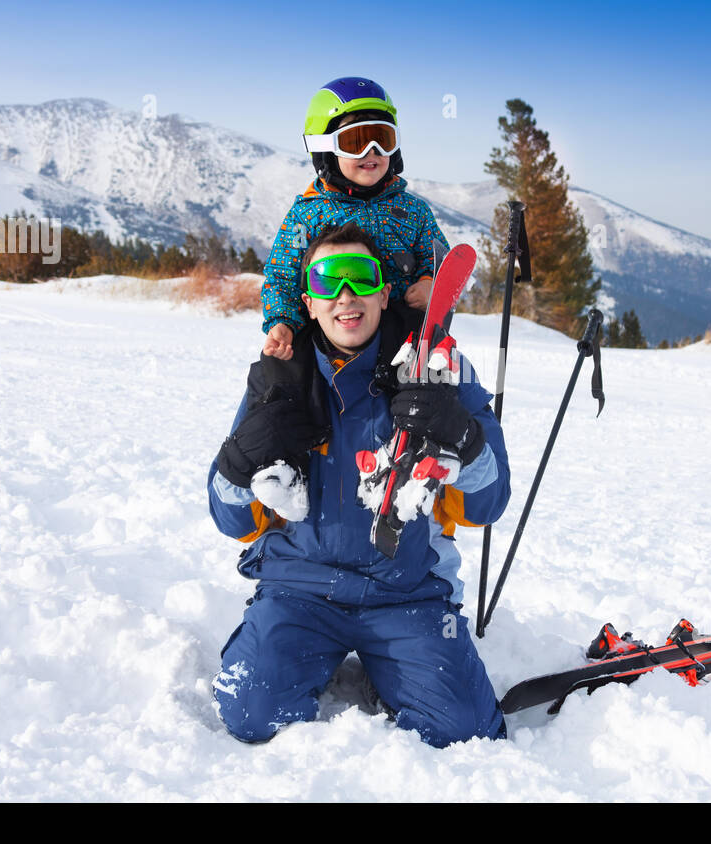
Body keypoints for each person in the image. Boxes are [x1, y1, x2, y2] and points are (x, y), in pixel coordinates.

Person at [208, 223, 510, 747]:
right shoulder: (282, 381)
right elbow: (230, 517)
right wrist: (239, 460)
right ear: (308, 300)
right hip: (300, 589)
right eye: (328, 281)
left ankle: (388, 667)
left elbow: (489, 502)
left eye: (361, 277)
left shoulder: (439, 372)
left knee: (466, 731)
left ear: (384, 291)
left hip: (408, 590)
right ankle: (300, 654)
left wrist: (464, 436)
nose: (346, 296)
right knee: (251, 713)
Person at [259, 76, 449, 361]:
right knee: (276, 375)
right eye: (355, 142)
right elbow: (282, 276)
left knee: (439, 387)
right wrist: (282, 322)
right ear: (325, 149)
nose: (372, 151)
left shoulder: (413, 211)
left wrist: (430, 283)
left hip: (404, 340)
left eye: (382, 139)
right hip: (330, 340)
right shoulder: (308, 214)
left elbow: (441, 259)